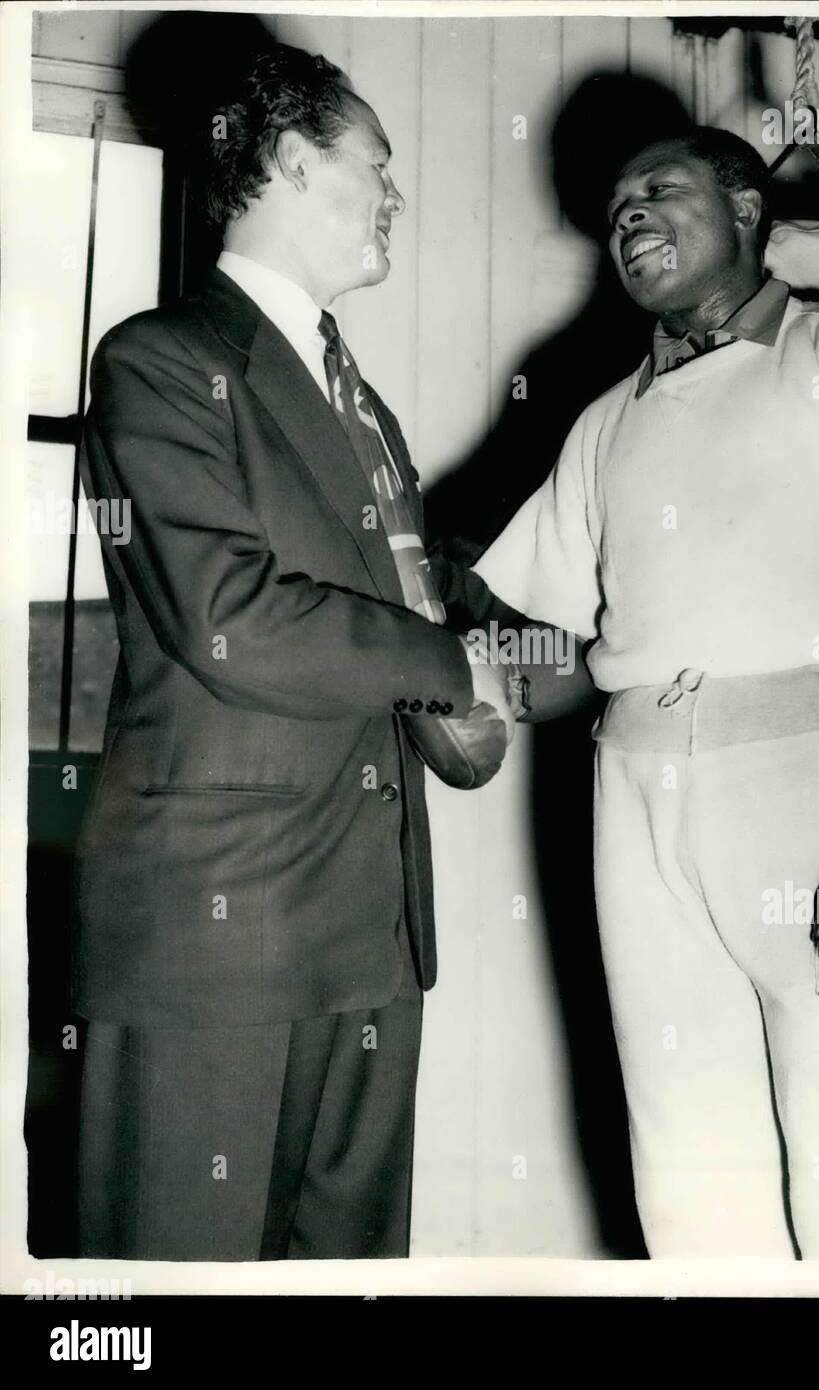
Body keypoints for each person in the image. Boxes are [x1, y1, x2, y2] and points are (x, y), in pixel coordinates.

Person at [73, 43, 584, 1261]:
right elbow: (230, 614)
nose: (395, 194)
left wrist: (603, 644)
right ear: (294, 162)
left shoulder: (364, 408)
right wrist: (457, 664)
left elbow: (427, 590)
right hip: (217, 936)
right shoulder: (157, 363)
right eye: (377, 165)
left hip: (370, 940)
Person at [474, 127, 819, 1258]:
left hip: (809, 782)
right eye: (615, 202)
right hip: (636, 799)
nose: (628, 214)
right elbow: (574, 654)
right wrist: (463, 677)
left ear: (751, 211)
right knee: (684, 1160)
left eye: (659, 188)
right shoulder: (602, 424)